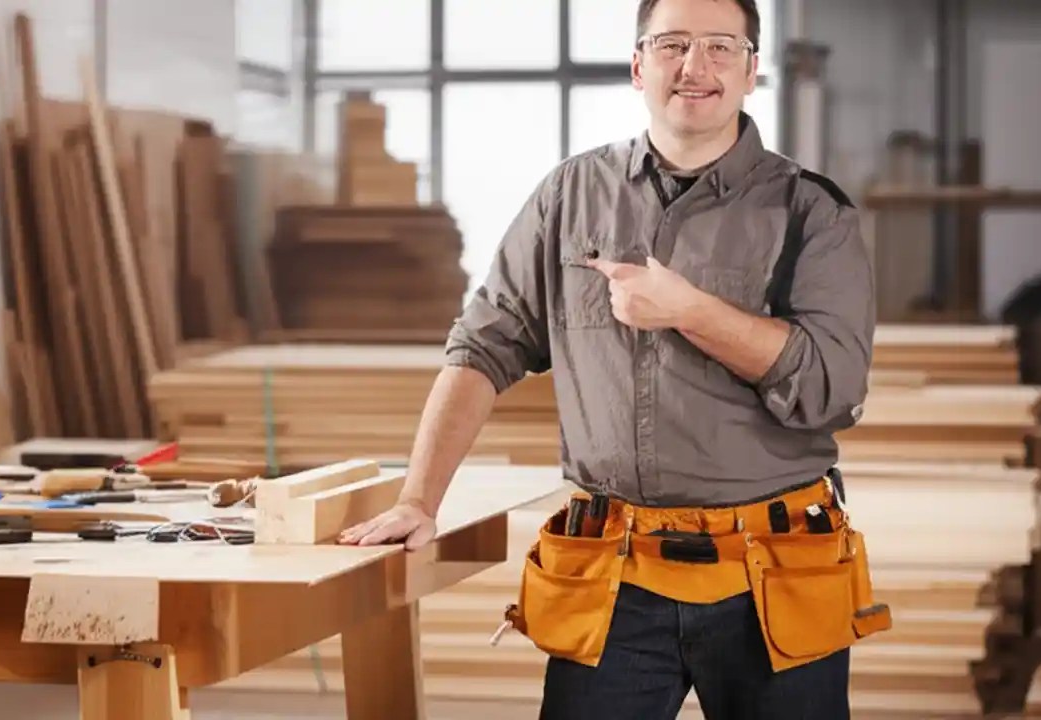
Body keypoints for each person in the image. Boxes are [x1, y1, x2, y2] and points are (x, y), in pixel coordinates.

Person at [339, 0, 884, 717]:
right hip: (613, 575)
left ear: (753, 71)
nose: (695, 66)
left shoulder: (812, 212)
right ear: (637, 65)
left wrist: (689, 310)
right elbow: (481, 347)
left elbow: (832, 388)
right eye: (672, 45)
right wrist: (417, 499)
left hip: (775, 572)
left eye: (722, 47)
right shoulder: (569, 196)